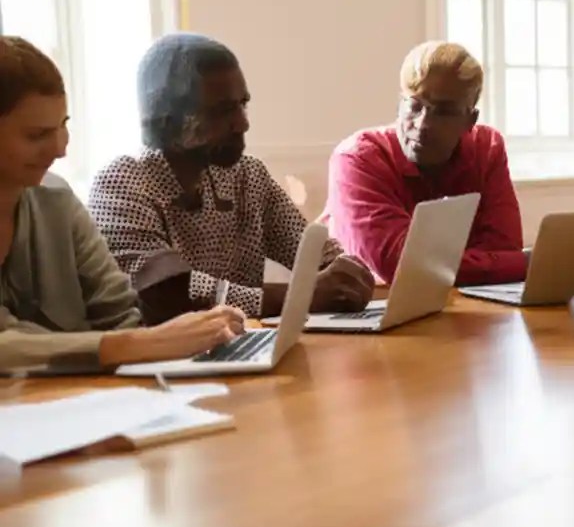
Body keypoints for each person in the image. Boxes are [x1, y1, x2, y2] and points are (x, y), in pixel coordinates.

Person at [86, 33, 374, 320]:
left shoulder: (248, 175)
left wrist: (345, 273)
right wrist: (301, 296)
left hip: (240, 351)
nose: (243, 123)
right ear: (167, 120)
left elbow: (312, 252)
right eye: (223, 111)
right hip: (162, 359)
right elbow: (166, 294)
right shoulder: (120, 183)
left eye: (243, 104)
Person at [0, 37, 243, 373]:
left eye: (63, 126)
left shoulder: (58, 200)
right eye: (36, 135)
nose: (60, 149)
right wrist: (149, 343)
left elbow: (120, 316)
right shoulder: (123, 178)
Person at [320, 41, 525, 286]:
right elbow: (405, 266)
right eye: (415, 106)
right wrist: (525, 264)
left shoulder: (487, 148)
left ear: (470, 120)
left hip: (453, 304)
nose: (423, 124)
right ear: (399, 107)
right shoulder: (358, 159)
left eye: (444, 111)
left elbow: (505, 249)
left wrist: (509, 264)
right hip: (357, 312)